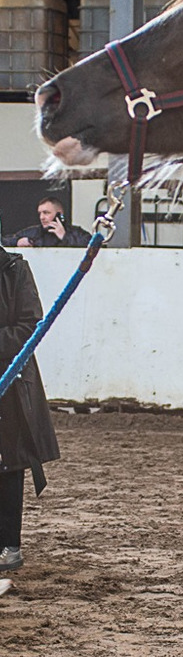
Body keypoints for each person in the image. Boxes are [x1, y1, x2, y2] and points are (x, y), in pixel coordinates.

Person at [0, 244, 60, 571]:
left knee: (8, 462)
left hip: (8, 381)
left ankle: (9, 543)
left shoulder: (15, 269)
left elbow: (30, 325)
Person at [1, 196, 91, 249]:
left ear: (59, 215)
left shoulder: (76, 232)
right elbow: (3, 242)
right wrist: (17, 242)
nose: (42, 217)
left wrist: (64, 236)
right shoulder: (33, 232)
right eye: (40, 213)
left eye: (46, 213)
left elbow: (93, 247)